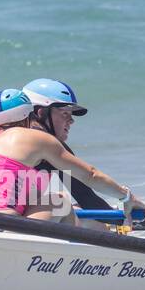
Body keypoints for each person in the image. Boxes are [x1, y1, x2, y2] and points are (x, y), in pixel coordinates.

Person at [0, 88, 145, 225]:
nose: (71, 120)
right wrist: (126, 197)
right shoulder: (35, 138)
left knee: (61, 205)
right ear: (30, 115)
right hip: (2, 225)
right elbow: (91, 175)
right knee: (59, 201)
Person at [20, 78, 113, 216]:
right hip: (10, 225)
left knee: (66, 205)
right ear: (40, 113)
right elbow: (86, 197)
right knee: (71, 209)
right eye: (65, 113)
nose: (72, 120)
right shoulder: (49, 145)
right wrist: (127, 221)